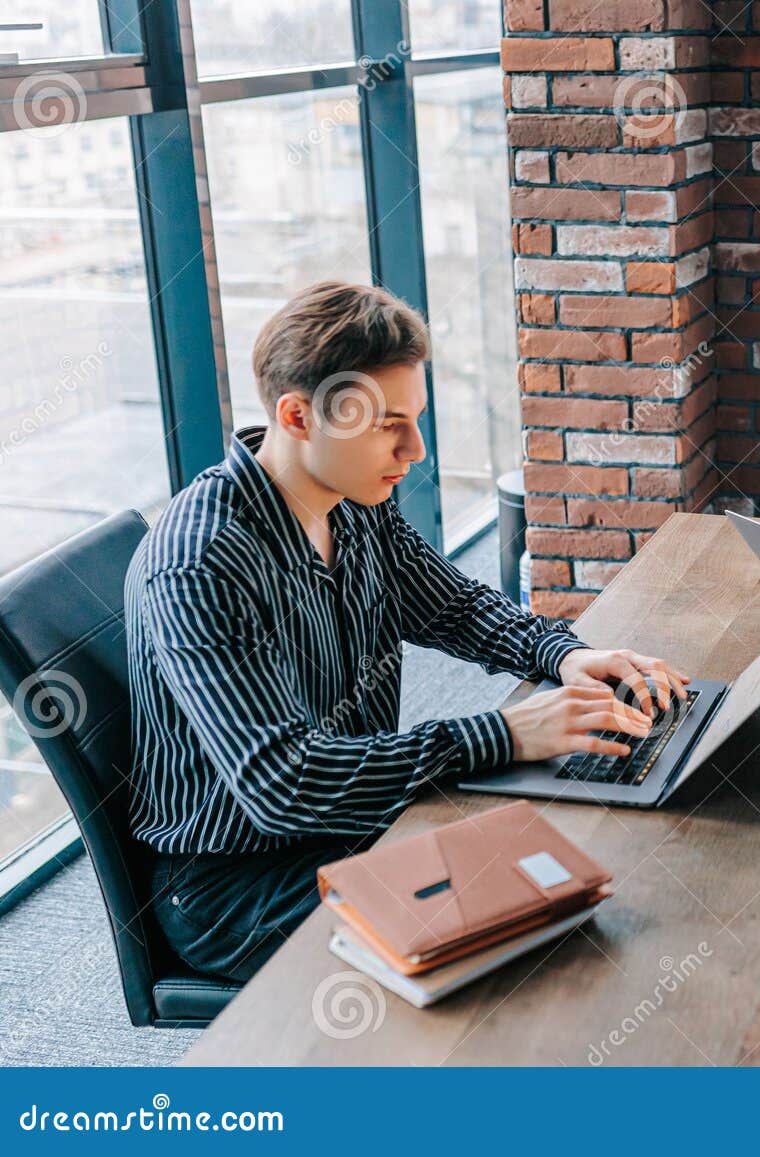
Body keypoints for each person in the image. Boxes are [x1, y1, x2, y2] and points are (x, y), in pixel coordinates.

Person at [126, 281, 688, 981]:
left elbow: (453, 607)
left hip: (353, 821)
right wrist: (508, 733)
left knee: (570, 861)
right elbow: (282, 780)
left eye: (415, 418)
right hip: (237, 885)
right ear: (298, 416)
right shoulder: (200, 561)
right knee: (536, 946)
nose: (416, 448)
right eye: (389, 423)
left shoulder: (351, 499)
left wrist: (567, 654)